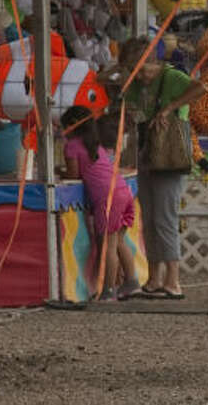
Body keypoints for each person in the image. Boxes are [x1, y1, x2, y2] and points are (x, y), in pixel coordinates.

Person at [119, 37, 205, 299]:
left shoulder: (171, 77)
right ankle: (154, 279)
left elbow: (201, 87)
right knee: (150, 218)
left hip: (170, 155)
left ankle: (173, 280)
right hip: (147, 153)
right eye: (136, 71)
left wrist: (170, 107)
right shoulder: (135, 83)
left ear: (155, 62)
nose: (142, 77)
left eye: (145, 70)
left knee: (165, 219)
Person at [60, 104, 140, 301]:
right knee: (118, 241)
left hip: (108, 197)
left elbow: (73, 175)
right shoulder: (96, 144)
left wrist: (59, 171)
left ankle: (107, 291)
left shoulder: (72, 146)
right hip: (123, 191)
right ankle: (131, 282)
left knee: (108, 245)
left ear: (71, 125)